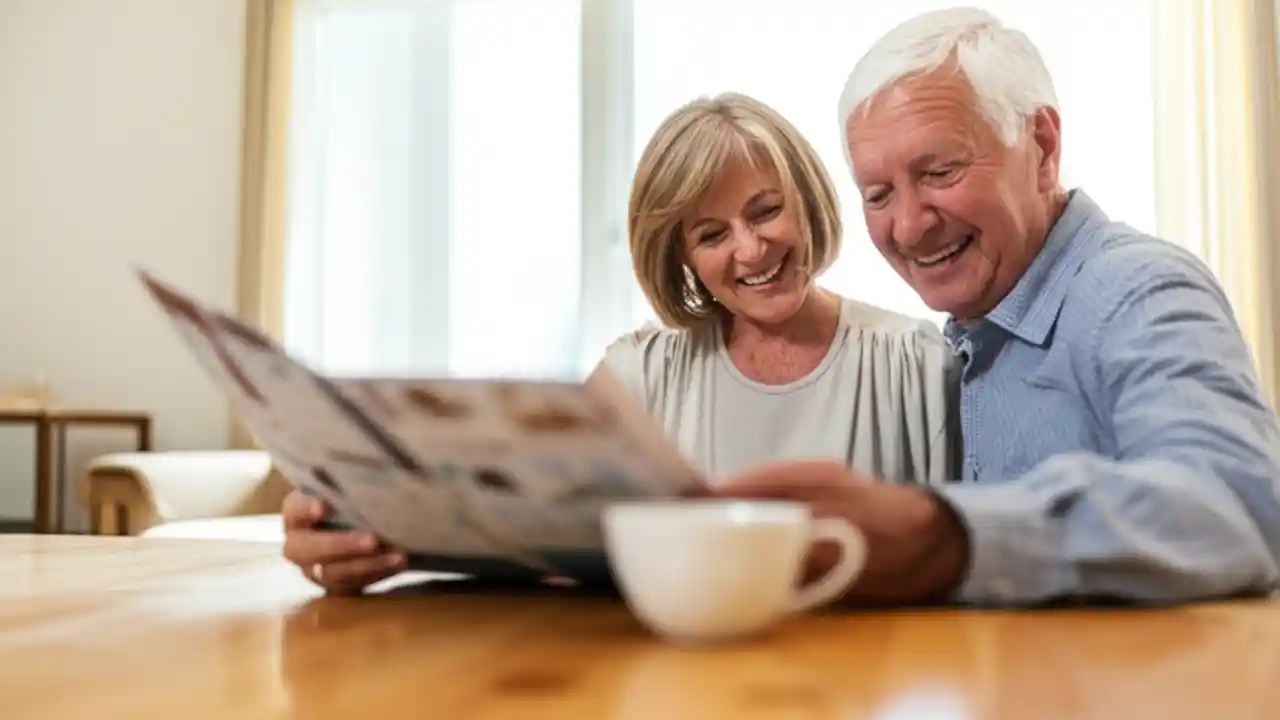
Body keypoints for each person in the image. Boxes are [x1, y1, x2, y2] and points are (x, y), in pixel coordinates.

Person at [281, 92, 962, 595]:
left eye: (765, 211)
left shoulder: (915, 361)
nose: (752, 249)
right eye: (711, 234)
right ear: (682, 258)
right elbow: (520, 533)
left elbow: (970, 560)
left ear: (807, 200)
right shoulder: (638, 374)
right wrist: (351, 532)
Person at [715, 7, 1280, 606]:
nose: (908, 226)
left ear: (1041, 147)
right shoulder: (963, 338)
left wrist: (939, 531)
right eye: (878, 194)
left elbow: (1241, 509)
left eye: (940, 171)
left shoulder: (1135, 289)